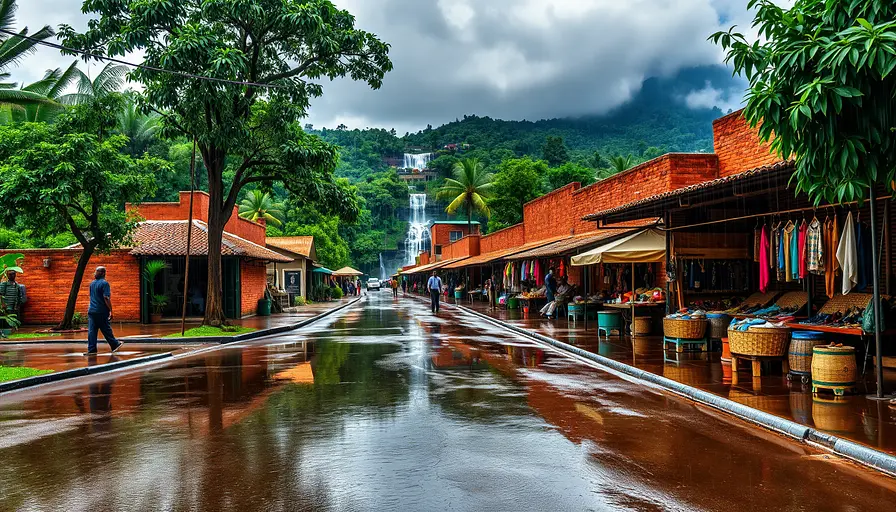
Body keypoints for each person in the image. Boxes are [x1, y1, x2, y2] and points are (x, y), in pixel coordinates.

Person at [87, 266, 123, 355]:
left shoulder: (92, 283)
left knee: (92, 330)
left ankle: (91, 350)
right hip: (101, 310)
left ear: (102, 273)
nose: (95, 273)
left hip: (91, 310)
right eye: (95, 271)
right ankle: (115, 344)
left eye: (97, 272)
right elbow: (106, 298)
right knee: (106, 329)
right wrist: (111, 310)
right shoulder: (104, 284)